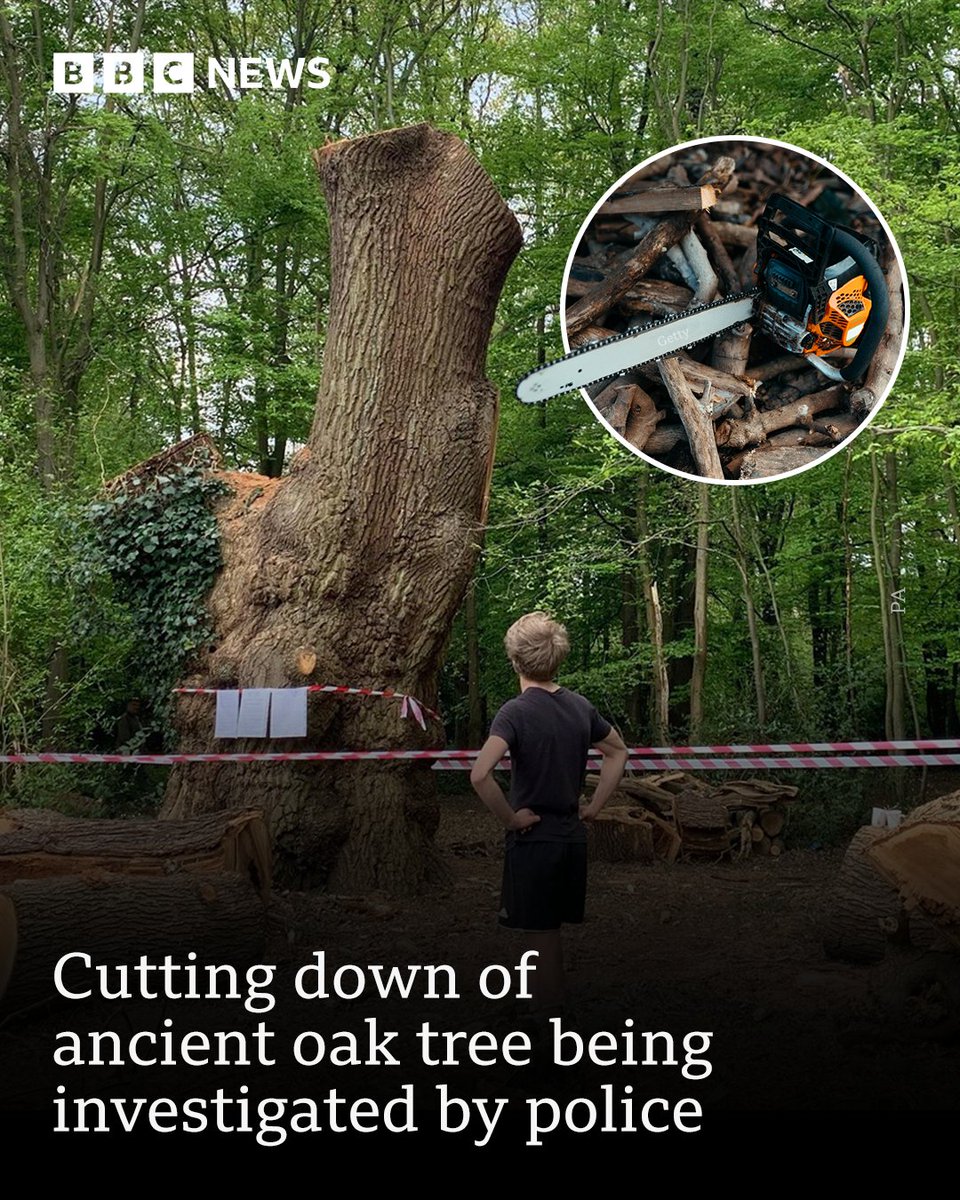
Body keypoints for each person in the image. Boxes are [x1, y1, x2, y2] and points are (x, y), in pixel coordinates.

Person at [470, 611, 629, 1017]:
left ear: (515, 661)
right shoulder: (580, 708)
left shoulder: (514, 712)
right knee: (547, 935)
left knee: (539, 939)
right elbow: (618, 751)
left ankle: (546, 1036)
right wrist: (594, 807)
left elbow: (480, 775)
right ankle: (538, 1018)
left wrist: (510, 819)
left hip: (535, 840)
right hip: (571, 839)